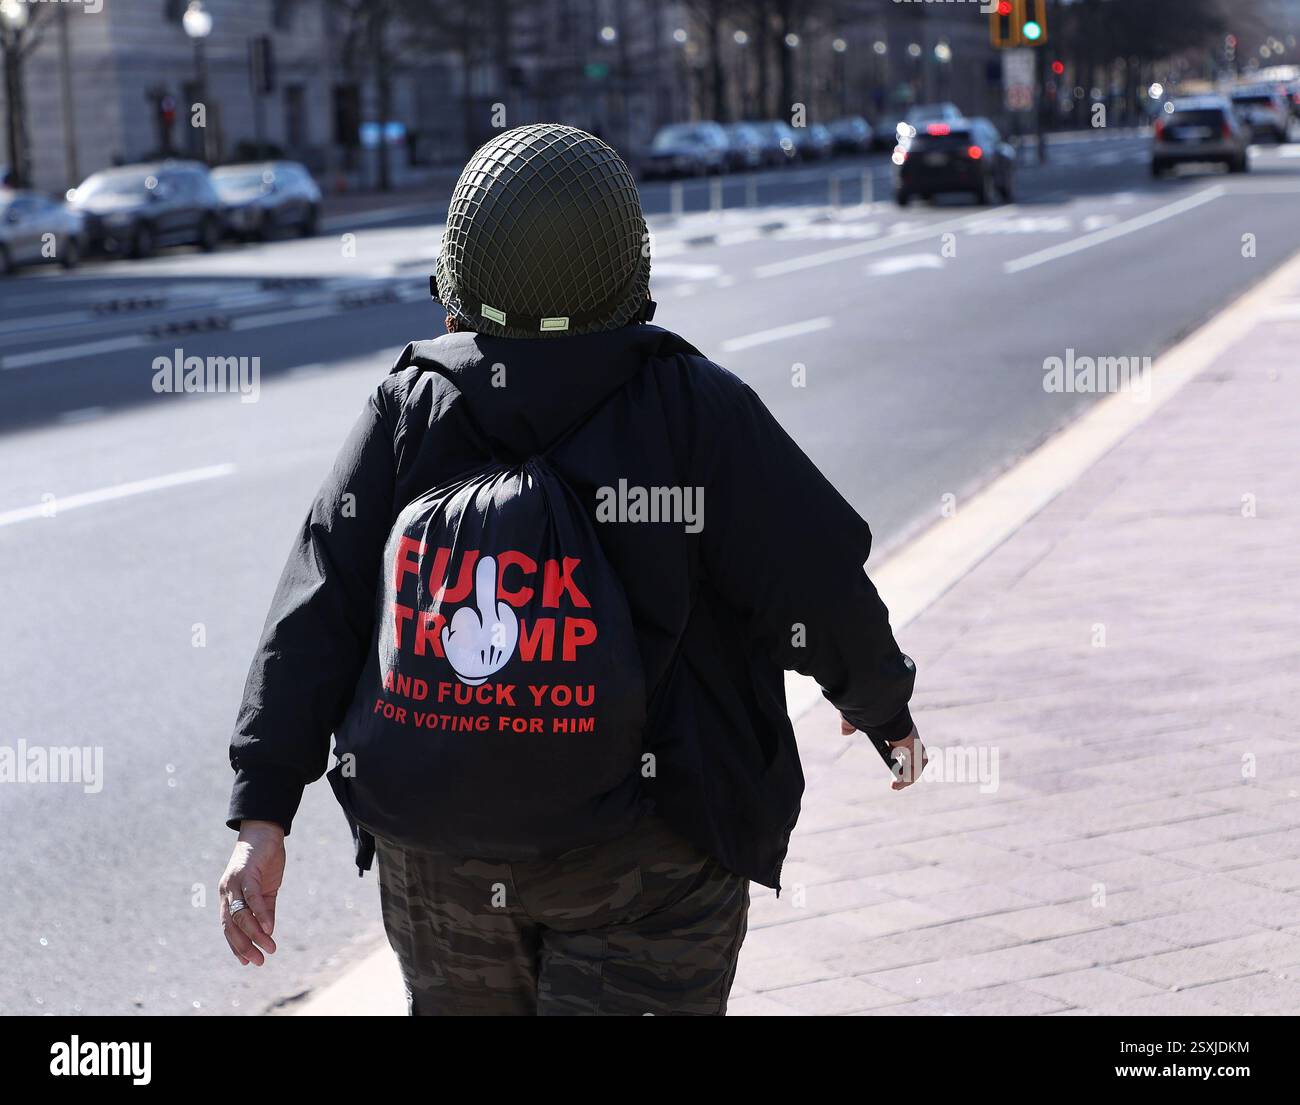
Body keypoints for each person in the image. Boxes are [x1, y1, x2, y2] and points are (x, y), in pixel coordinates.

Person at [220, 123, 924, 1016]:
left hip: (443, 861)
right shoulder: (692, 407)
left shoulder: (411, 406)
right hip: (650, 857)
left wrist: (262, 813)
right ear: (628, 266)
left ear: (462, 269)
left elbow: (317, 608)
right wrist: (880, 705)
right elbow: (813, 579)